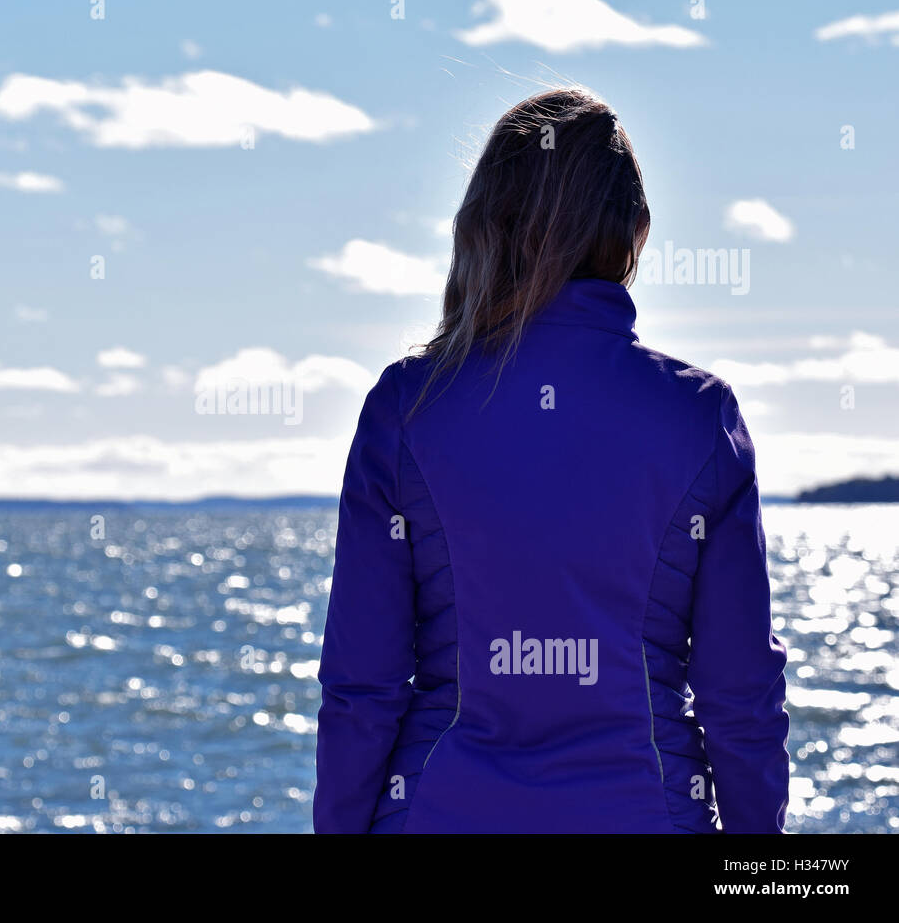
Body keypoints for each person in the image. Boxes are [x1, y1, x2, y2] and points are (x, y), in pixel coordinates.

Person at [314, 88, 790, 833]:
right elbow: (741, 697)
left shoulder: (407, 408)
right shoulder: (698, 416)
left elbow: (362, 690)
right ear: (637, 233)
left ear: (486, 228)